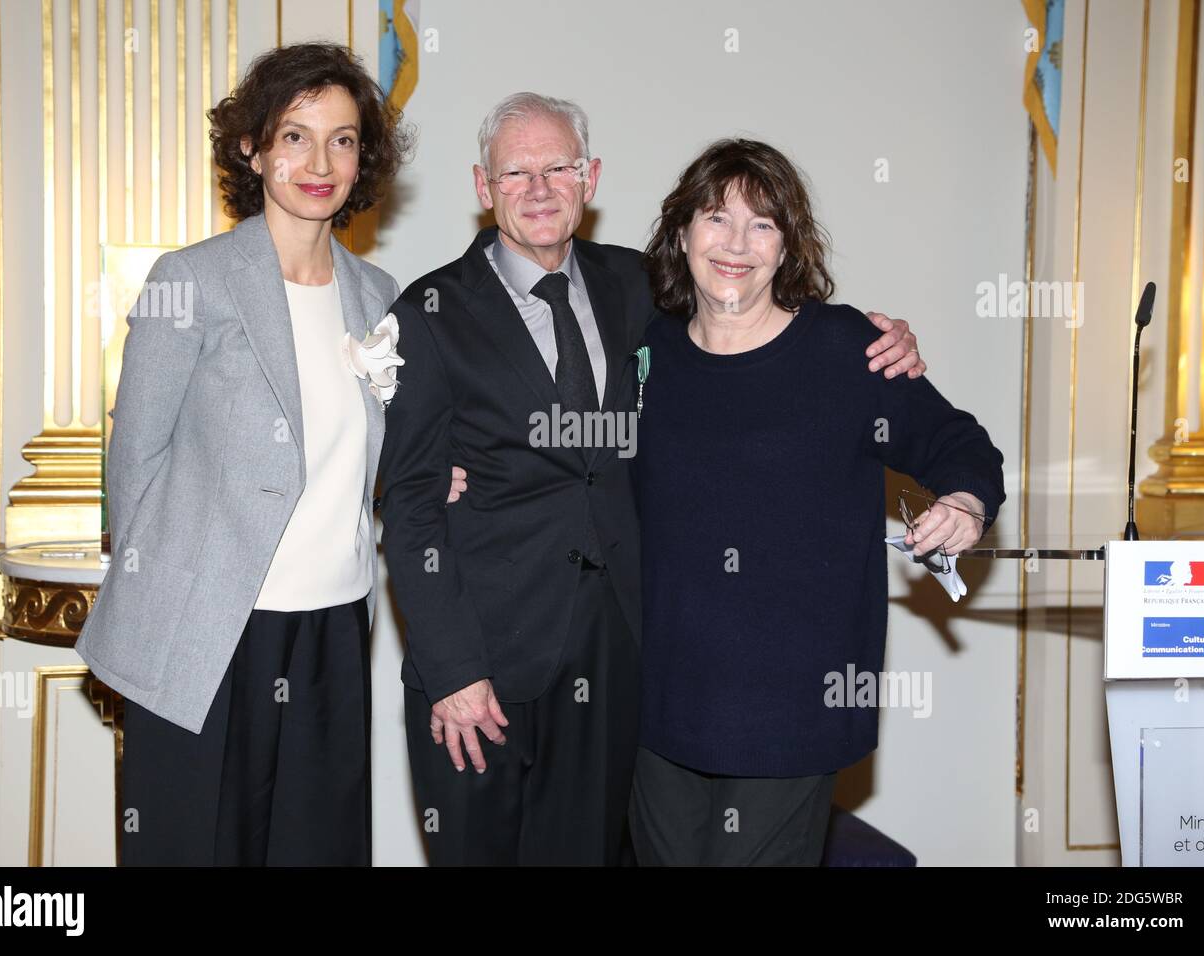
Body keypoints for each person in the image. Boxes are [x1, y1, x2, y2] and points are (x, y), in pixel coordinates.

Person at [379, 93, 925, 865]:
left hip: (620, 663)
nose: (539, 189)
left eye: (559, 167)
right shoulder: (428, 311)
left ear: (590, 177)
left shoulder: (643, 290)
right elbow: (408, 506)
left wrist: (878, 339)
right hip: (488, 666)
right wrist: (451, 670)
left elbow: (756, 324)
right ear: (483, 187)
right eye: (516, 173)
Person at [76, 42, 426, 865]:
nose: (319, 161)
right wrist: (163, 611)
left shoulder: (378, 297)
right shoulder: (191, 280)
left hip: (335, 627)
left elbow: (376, 468)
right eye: (295, 136)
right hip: (208, 635)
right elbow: (133, 467)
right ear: (253, 149)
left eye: (342, 140)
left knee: (319, 849)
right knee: (195, 847)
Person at [628, 138, 1006, 865]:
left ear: (787, 247)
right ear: (682, 233)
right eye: (716, 218)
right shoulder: (647, 352)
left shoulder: (845, 351)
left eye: (762, 224)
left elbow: (960, 443)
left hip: (794, 706)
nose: (736, 243)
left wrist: (963, 502)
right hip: (661, 705)